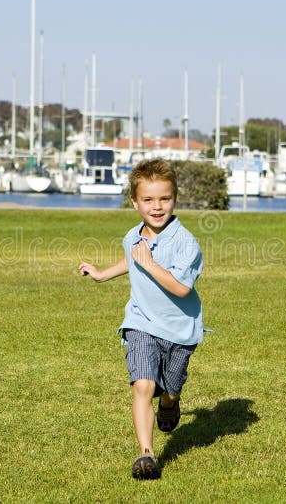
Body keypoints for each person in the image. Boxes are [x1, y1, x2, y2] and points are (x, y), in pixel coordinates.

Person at [78, 159, 204, 480]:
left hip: (179, 330)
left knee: (170, 387)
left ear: (174, 198)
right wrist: (102, 274)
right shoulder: (132, 236)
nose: (157, 207)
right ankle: (146, 454)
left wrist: (150, 264)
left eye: (164, 198)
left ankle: (170, 403)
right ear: (134, 202)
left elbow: (180, 287)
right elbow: (132, 259)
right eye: (148, 200)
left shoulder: (186, 242)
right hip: (141, 323)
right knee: (143, 385)